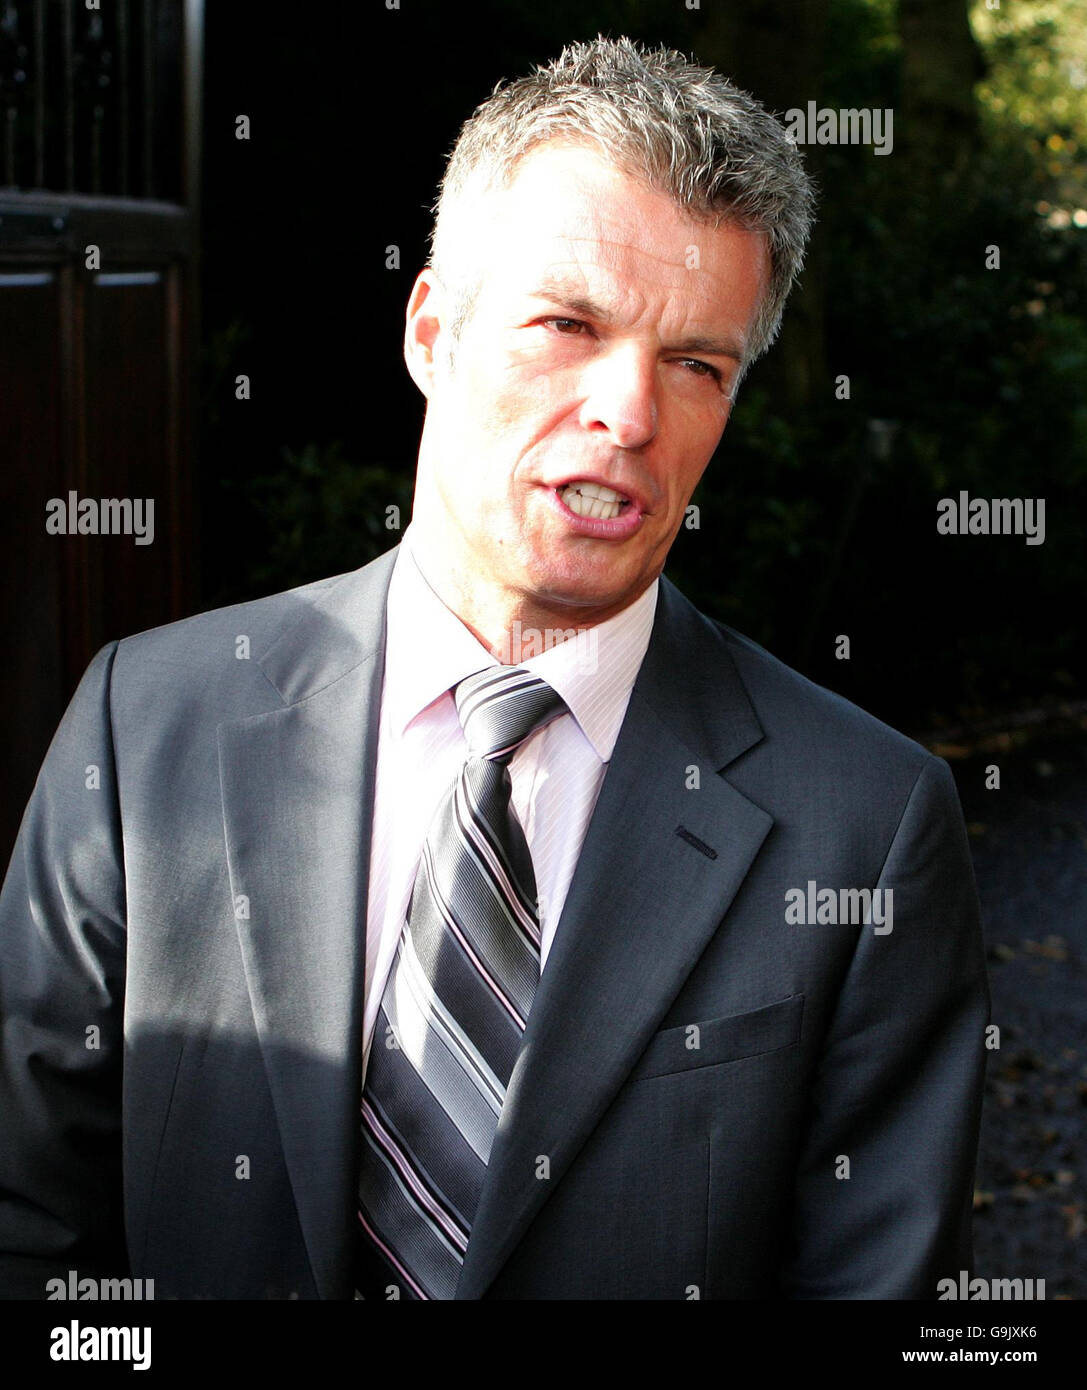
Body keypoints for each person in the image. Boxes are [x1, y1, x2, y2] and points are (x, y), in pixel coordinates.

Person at [0, 35, 989, 1300]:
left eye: (696, 365)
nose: (629, 415)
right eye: (567, 325)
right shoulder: (146, 725)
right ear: (429, 328)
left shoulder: (865, 823)